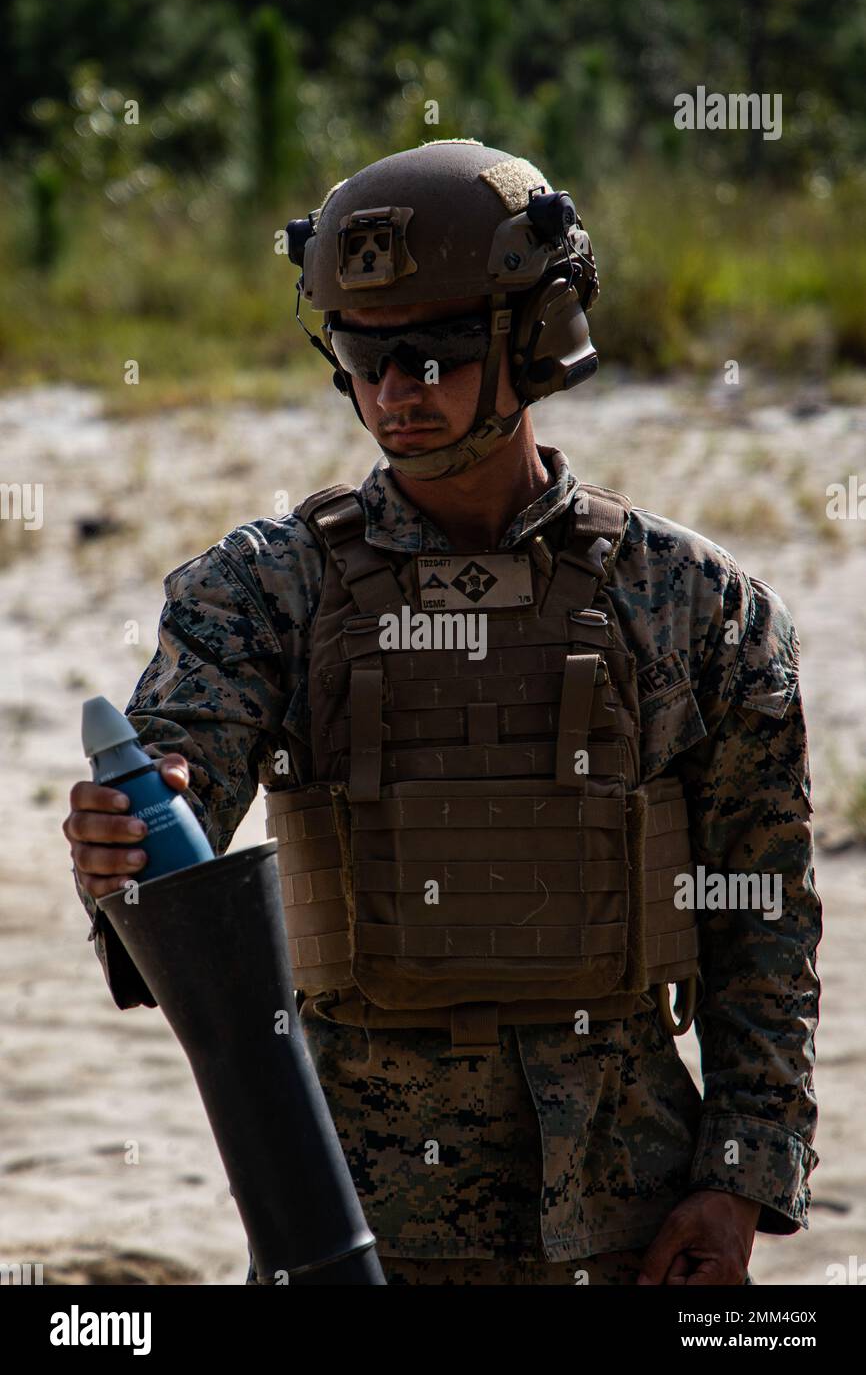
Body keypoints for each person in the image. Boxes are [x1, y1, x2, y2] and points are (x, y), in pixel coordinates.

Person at [64, 140, 821, 1286]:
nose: (391, 393)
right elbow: (175, 824)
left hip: (630, 1212)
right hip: (359, 1224)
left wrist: (736, 1182)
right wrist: (126, 851)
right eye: (363, 357)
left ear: (535, 336)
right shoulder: (265, 589)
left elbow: (759, 918)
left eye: (433, 353)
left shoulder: (692, 603)